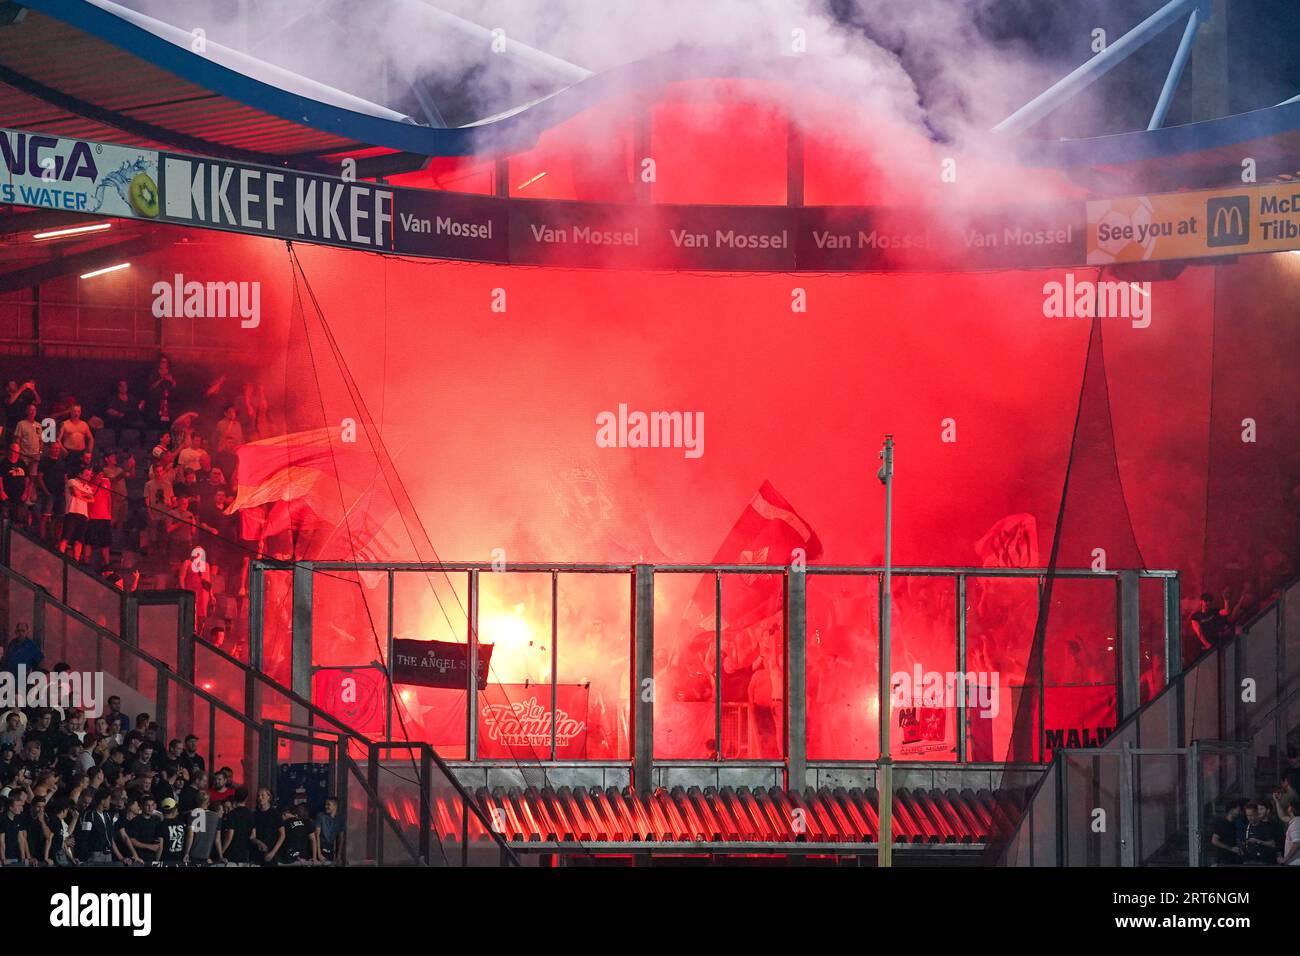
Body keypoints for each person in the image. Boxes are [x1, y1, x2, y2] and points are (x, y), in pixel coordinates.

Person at [59, 464, 96, 561]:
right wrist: (84, 495)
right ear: (80, 474)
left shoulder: (88, 487)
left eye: (90, 475)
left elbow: (92, 499)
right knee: (66, 537)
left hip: (83, 515)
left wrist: (81, 495)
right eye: (86, 474)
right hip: (72, 512)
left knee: (79, 540)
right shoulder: (72, 481)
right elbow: (75, 492)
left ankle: (76, 559)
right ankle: (59, 556)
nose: (89, 477)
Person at [36, 441, 66, 541]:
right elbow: (39, 477)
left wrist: (65, 491)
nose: (56, 450)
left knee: (60, 518)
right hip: (49, 492)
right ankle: (42, 538)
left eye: (58, 449)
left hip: (60, 493)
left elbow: (65, 477)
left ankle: (57, 538)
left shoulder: (62, 462)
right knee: (45, 515)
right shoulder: (44, 461)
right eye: (54, 448)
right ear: (50, 449)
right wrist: (46, 491)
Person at [219, 787, 254, 866]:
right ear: (246, 798)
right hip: (245, 852)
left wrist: (221, 852)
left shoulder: (232, 814)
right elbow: (253, 835)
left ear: (235, 797)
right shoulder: (250, 814)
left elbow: (229, 836)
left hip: (232, 852)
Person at [184, 790, 220, 865]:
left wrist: (186, 853)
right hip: (207, 855)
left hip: (194, 854)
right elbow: (217, 839)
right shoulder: (215, 816)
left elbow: (190, 836)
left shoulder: (193, 814)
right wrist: (221, 856)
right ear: (208, 802)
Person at [0, 441, 29, 527]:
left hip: (19, 497)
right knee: (5, 520)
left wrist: (26, 492)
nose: (14, 453)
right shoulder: (3, 463)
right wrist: (1, 491)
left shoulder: (22, 463)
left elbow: (27, 479)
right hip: (7, 497)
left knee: (19, 521)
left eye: (16, 452)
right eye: (12, 451)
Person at [314, 796, 342, 864]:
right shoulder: (321, 816)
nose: (326, 806)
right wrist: (319, 854)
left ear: (335, 806)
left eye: (328, 804)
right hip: (321, 847)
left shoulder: (340, 819)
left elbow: (341, 838)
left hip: (330, 849)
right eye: (325, 804)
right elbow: (316, 836)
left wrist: (338, 856)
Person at [159, 797, 186, 865]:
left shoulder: (160, 825)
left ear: (162, 810)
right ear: (174, 810)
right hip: (180, 861)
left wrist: (156, 861)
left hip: (165, 861)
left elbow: (160, 847)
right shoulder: (182, 824)